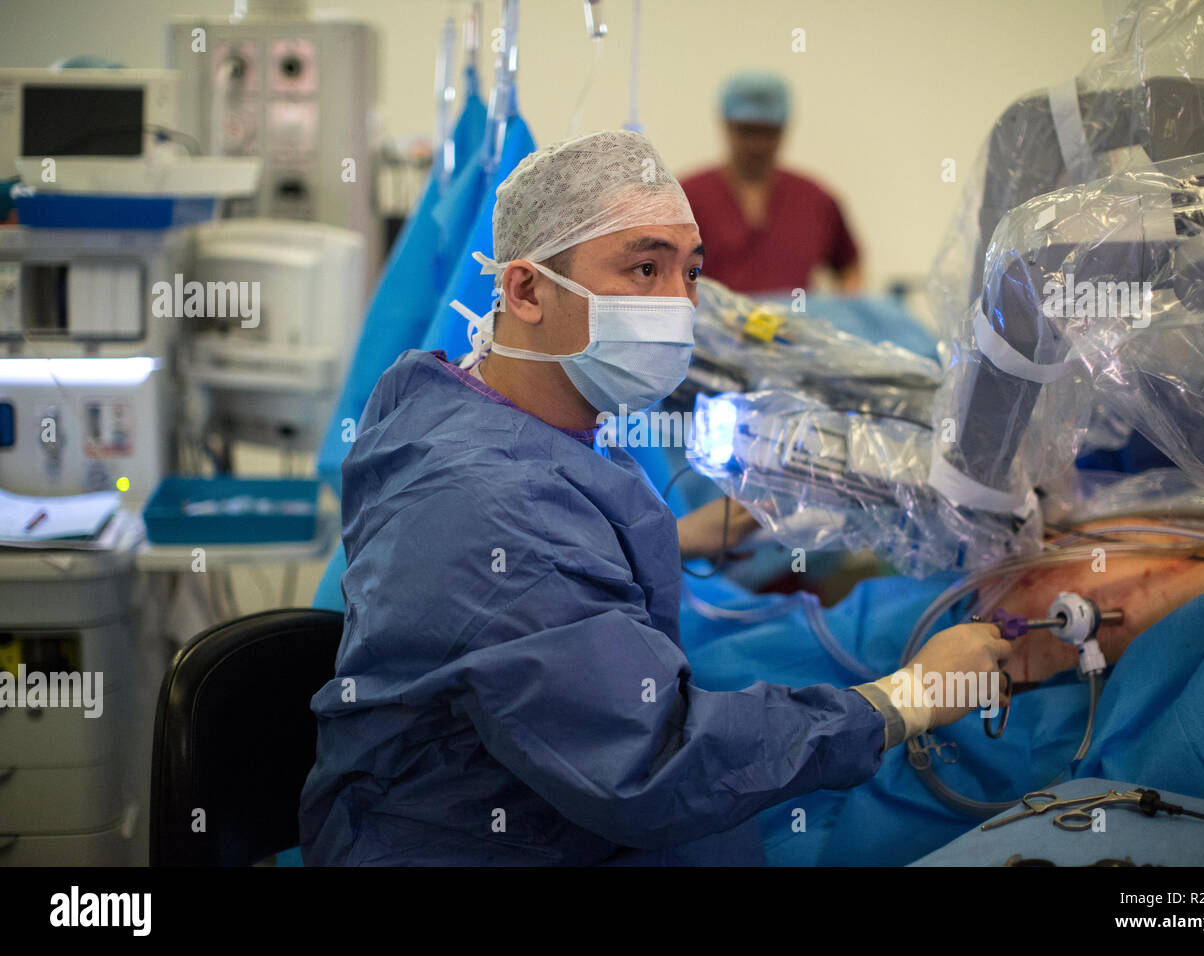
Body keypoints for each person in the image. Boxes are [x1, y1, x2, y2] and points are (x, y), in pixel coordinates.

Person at [298, 129, 1007, 866]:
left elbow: (528, 592)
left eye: (691, 272)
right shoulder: (489, 503)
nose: (678, 305)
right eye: (644, 268)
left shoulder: (461, 405)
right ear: (526, 289)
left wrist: (678, 537)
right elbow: (652, 763)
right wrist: (910, 699)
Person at [679, 72, 863, 295]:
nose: (757, 144)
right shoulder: (687, 197)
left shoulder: (815, 199)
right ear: (725, 125)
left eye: (768, 132)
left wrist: (845, 314)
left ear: (784, 129)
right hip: (707, 329)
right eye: (746, 131)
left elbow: (848, 266)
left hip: (792, 327)